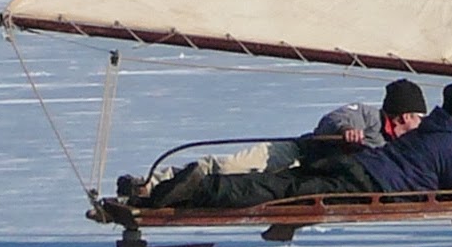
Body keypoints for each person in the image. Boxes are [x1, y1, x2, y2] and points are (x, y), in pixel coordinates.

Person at [141, 82, 452, 209]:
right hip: (358, 178)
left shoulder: (428, 130)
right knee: (277, 191)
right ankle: (199, 188)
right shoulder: (451, 145)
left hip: (350, 166)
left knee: (280, 184)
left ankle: (184, 184)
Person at [118, 79, 427, 198]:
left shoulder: (402, 145)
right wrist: (347, 131)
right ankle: (151, 183)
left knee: (245, 186)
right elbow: (334, 119)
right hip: (296, 153)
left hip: (317, 174)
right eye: (418, 117)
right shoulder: (370, 116)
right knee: (230, 167)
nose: (420, 124)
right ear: (403, 116)